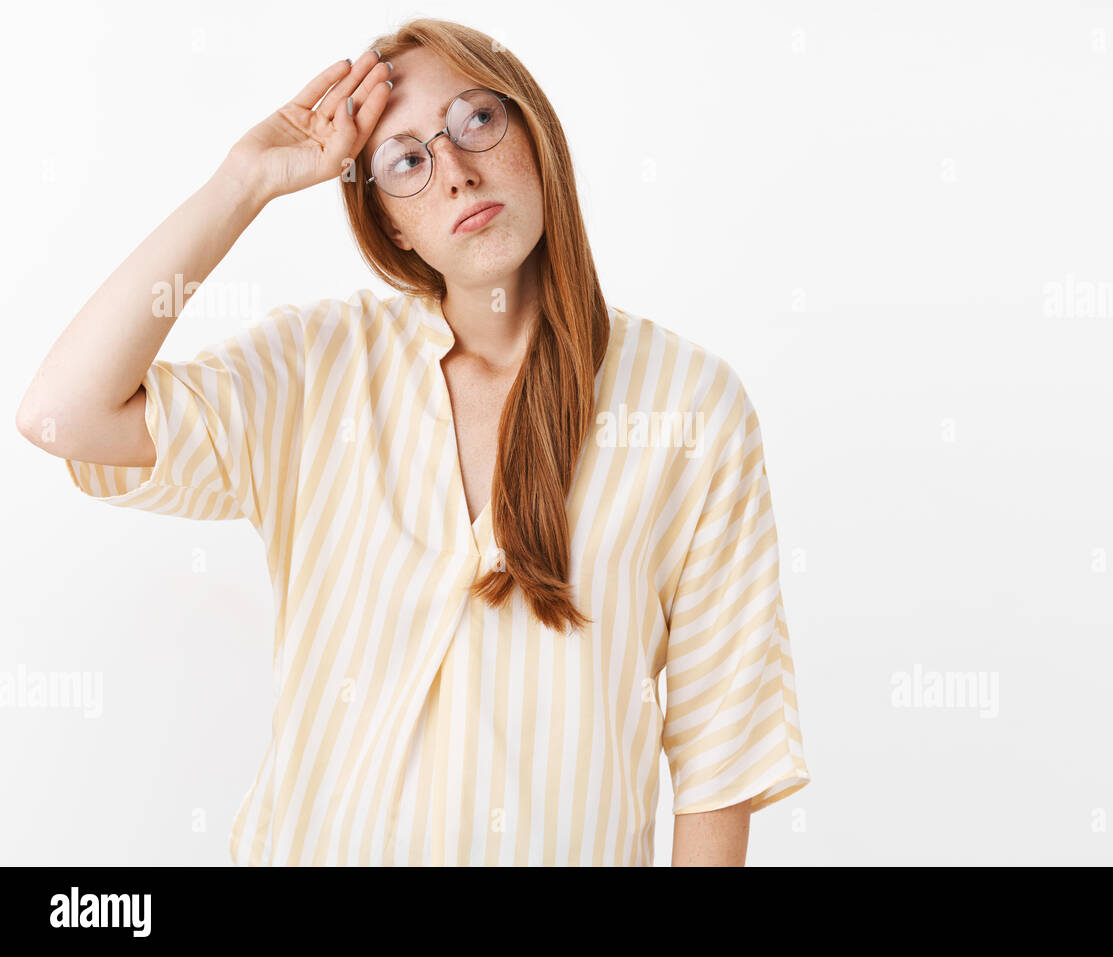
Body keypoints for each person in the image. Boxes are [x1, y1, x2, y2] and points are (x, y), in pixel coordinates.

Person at [16, 17, 810, 866]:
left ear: (534, 134)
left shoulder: (691, 407)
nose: (459, 175)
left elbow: (720, 765)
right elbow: (62, 412)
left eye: (477, 120)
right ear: (393, 227)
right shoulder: (319, 369)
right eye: (408, 161)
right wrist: (241, 183)